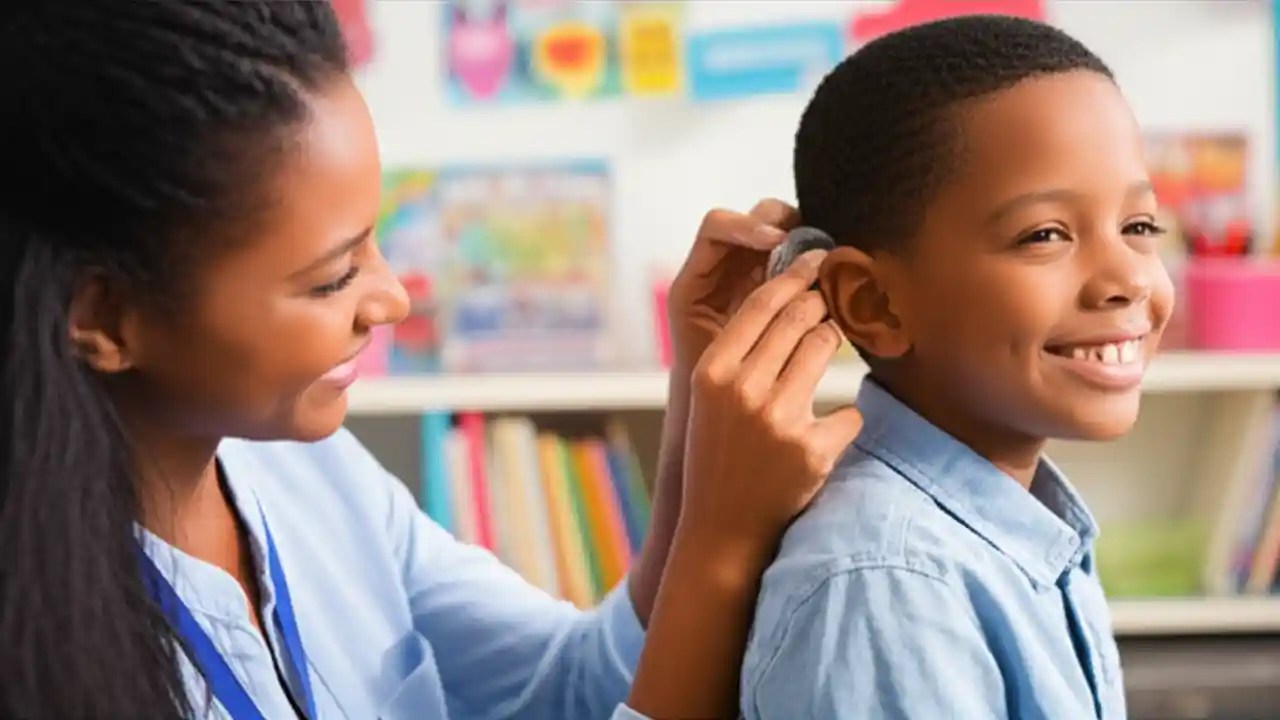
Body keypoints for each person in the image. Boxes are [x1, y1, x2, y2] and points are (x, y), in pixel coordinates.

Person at [0, 3, 862, 719]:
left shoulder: (315, 477)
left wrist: (697, 408)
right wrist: (722, 543)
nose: (391, 299)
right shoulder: (41, 634)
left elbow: (571, 687)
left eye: (373, 243)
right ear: (107, 318)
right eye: (332, 278)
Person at [740, 15, 1173, 720]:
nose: (1126, 278)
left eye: (1140, 227)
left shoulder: (1017, 528)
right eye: (1044, 235)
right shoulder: (888, 581)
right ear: (874, 302)